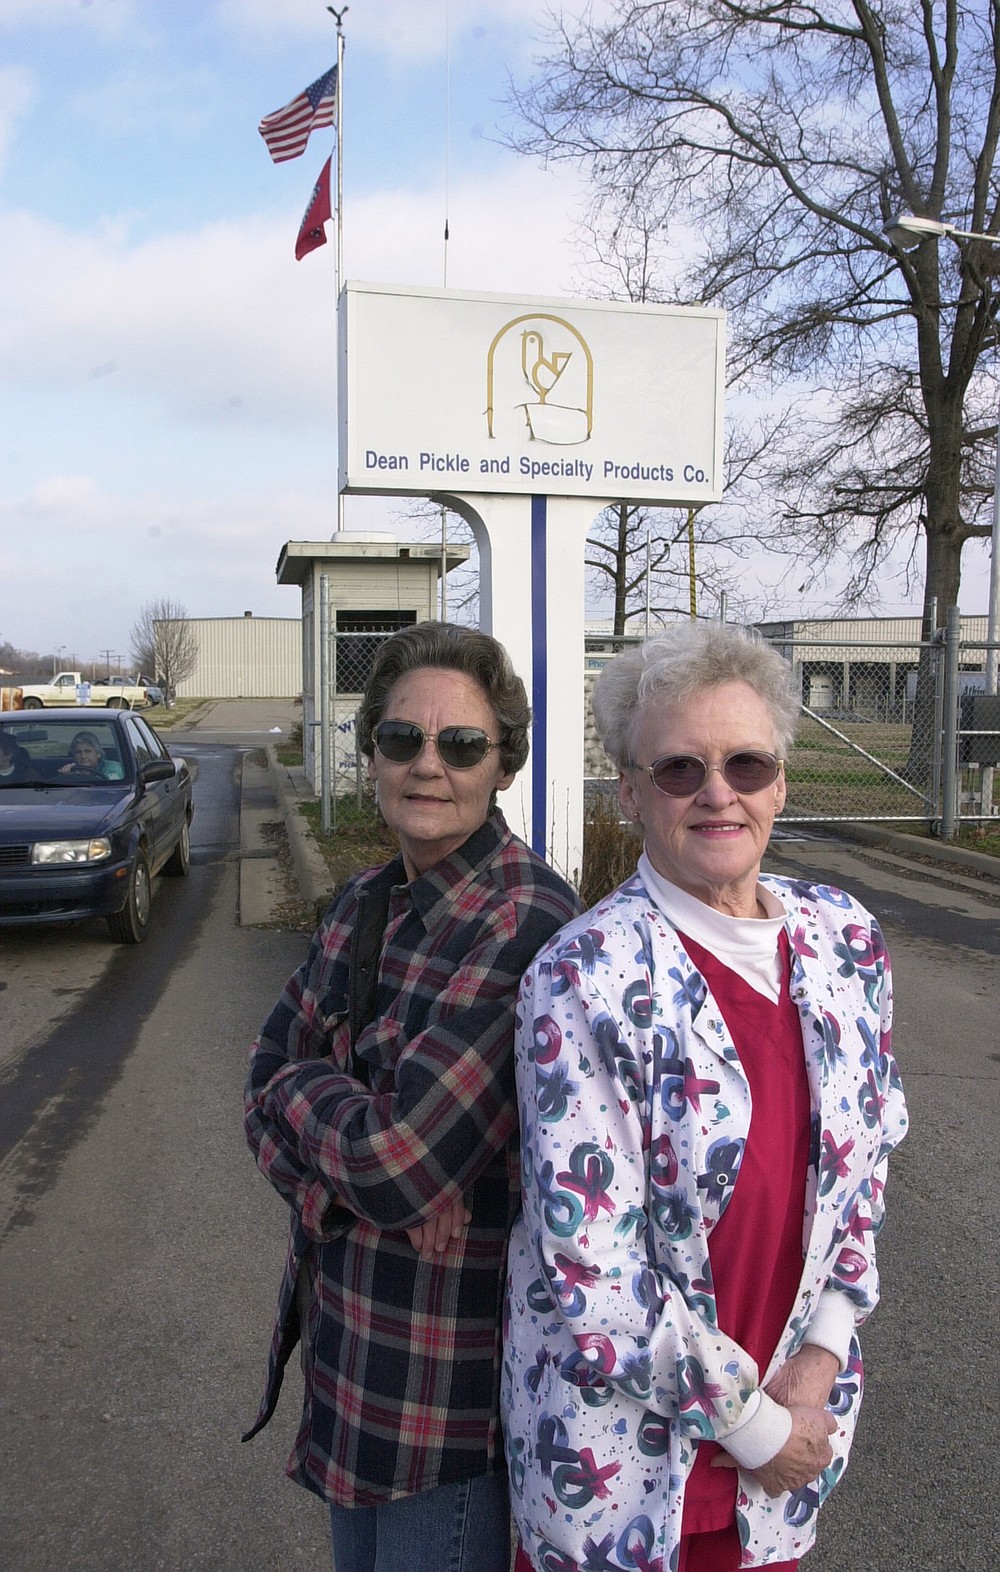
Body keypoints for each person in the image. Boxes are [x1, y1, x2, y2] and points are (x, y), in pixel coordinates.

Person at [502, 621, 908, 1572]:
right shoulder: (583, 977)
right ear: (631, 795)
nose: (719, 792)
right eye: (680, 769)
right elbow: (592, 1268)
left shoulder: (845, 938)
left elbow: (871, 1153)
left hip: (793, 1433)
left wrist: (828, 1344)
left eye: (747, 763)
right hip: (623, 1475)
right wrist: (757, 1426)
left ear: (783, 781)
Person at [243, 621, 582, 1572]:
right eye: (403, 739)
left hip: (444, 1410)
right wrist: (341, 1166)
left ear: (503, 765)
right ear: (374, 753)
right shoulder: (361, 903)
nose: (428, 765)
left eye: (461, 744)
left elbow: (394, 1169)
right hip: (349, 1370)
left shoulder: (526, 923)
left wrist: (316, 1113)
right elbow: (258, 1085)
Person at [57, 730, 125, 780]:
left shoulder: (114, 769)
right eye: (78, 752)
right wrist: (67, 776)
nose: (83, 756)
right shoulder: (72, 770)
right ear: (74, 755)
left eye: (87, 751)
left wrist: (79, 777)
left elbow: (113, 789)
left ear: (98, 754)